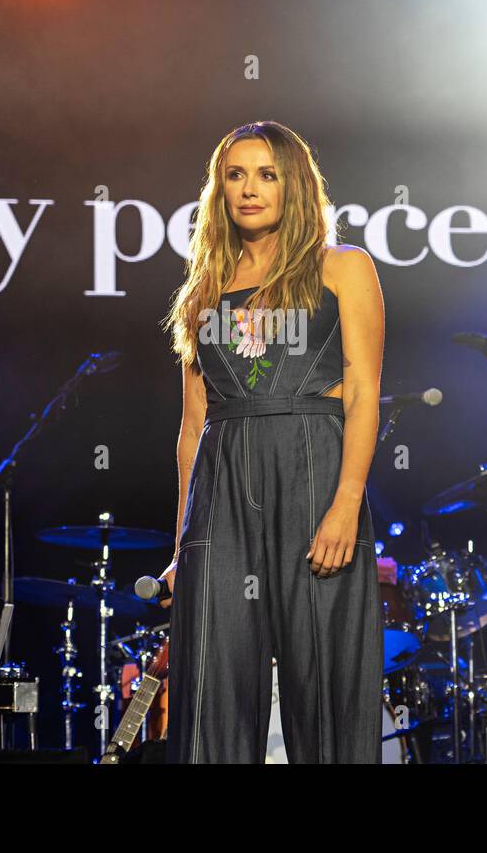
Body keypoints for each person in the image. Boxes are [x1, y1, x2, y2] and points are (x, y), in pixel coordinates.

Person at [158, 120, 385, 763]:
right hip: (222, 496)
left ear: (296, 187)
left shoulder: (344, 268)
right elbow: (192, 425)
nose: (249, 189)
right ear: (218, 189)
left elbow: (364, 393)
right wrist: (183, 544)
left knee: (327, 691)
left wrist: (346, 504)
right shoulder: (203, 290)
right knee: (210, 694)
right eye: (235, 175)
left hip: (313, 478)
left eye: (267, 174)